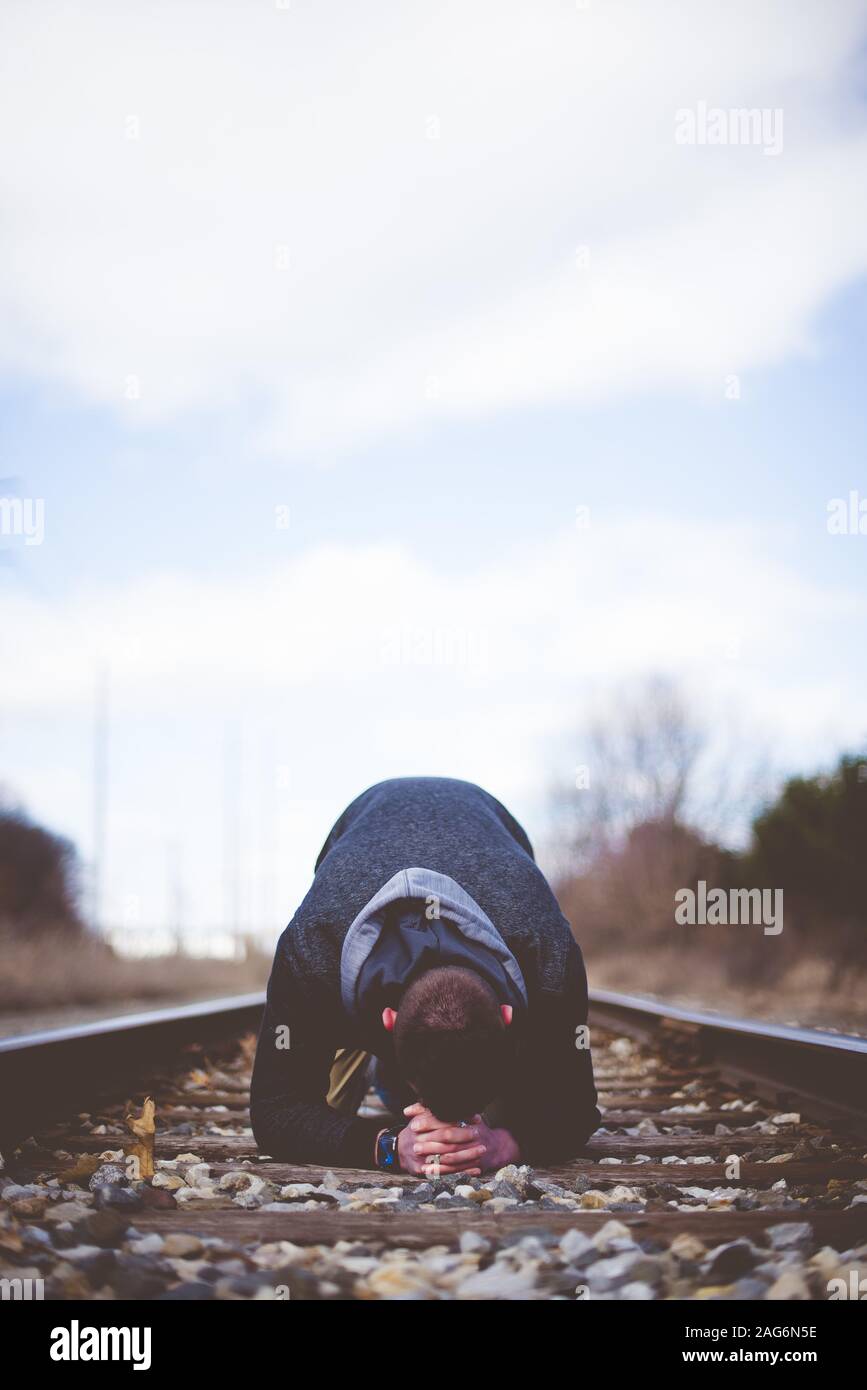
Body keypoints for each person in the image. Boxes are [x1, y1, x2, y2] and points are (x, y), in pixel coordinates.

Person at [250, 776, 599, 1175]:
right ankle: (379, 1073)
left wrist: (505, 1143)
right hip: (362, 823)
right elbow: (274, 1111)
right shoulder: (314, 947)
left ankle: (417, 1086)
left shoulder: (546, 948)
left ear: (508, 1017)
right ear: (387, 1022)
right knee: (329, 1108)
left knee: (514, 1112)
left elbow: (576, 1110)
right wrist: (387, 1147)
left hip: (493, 827)